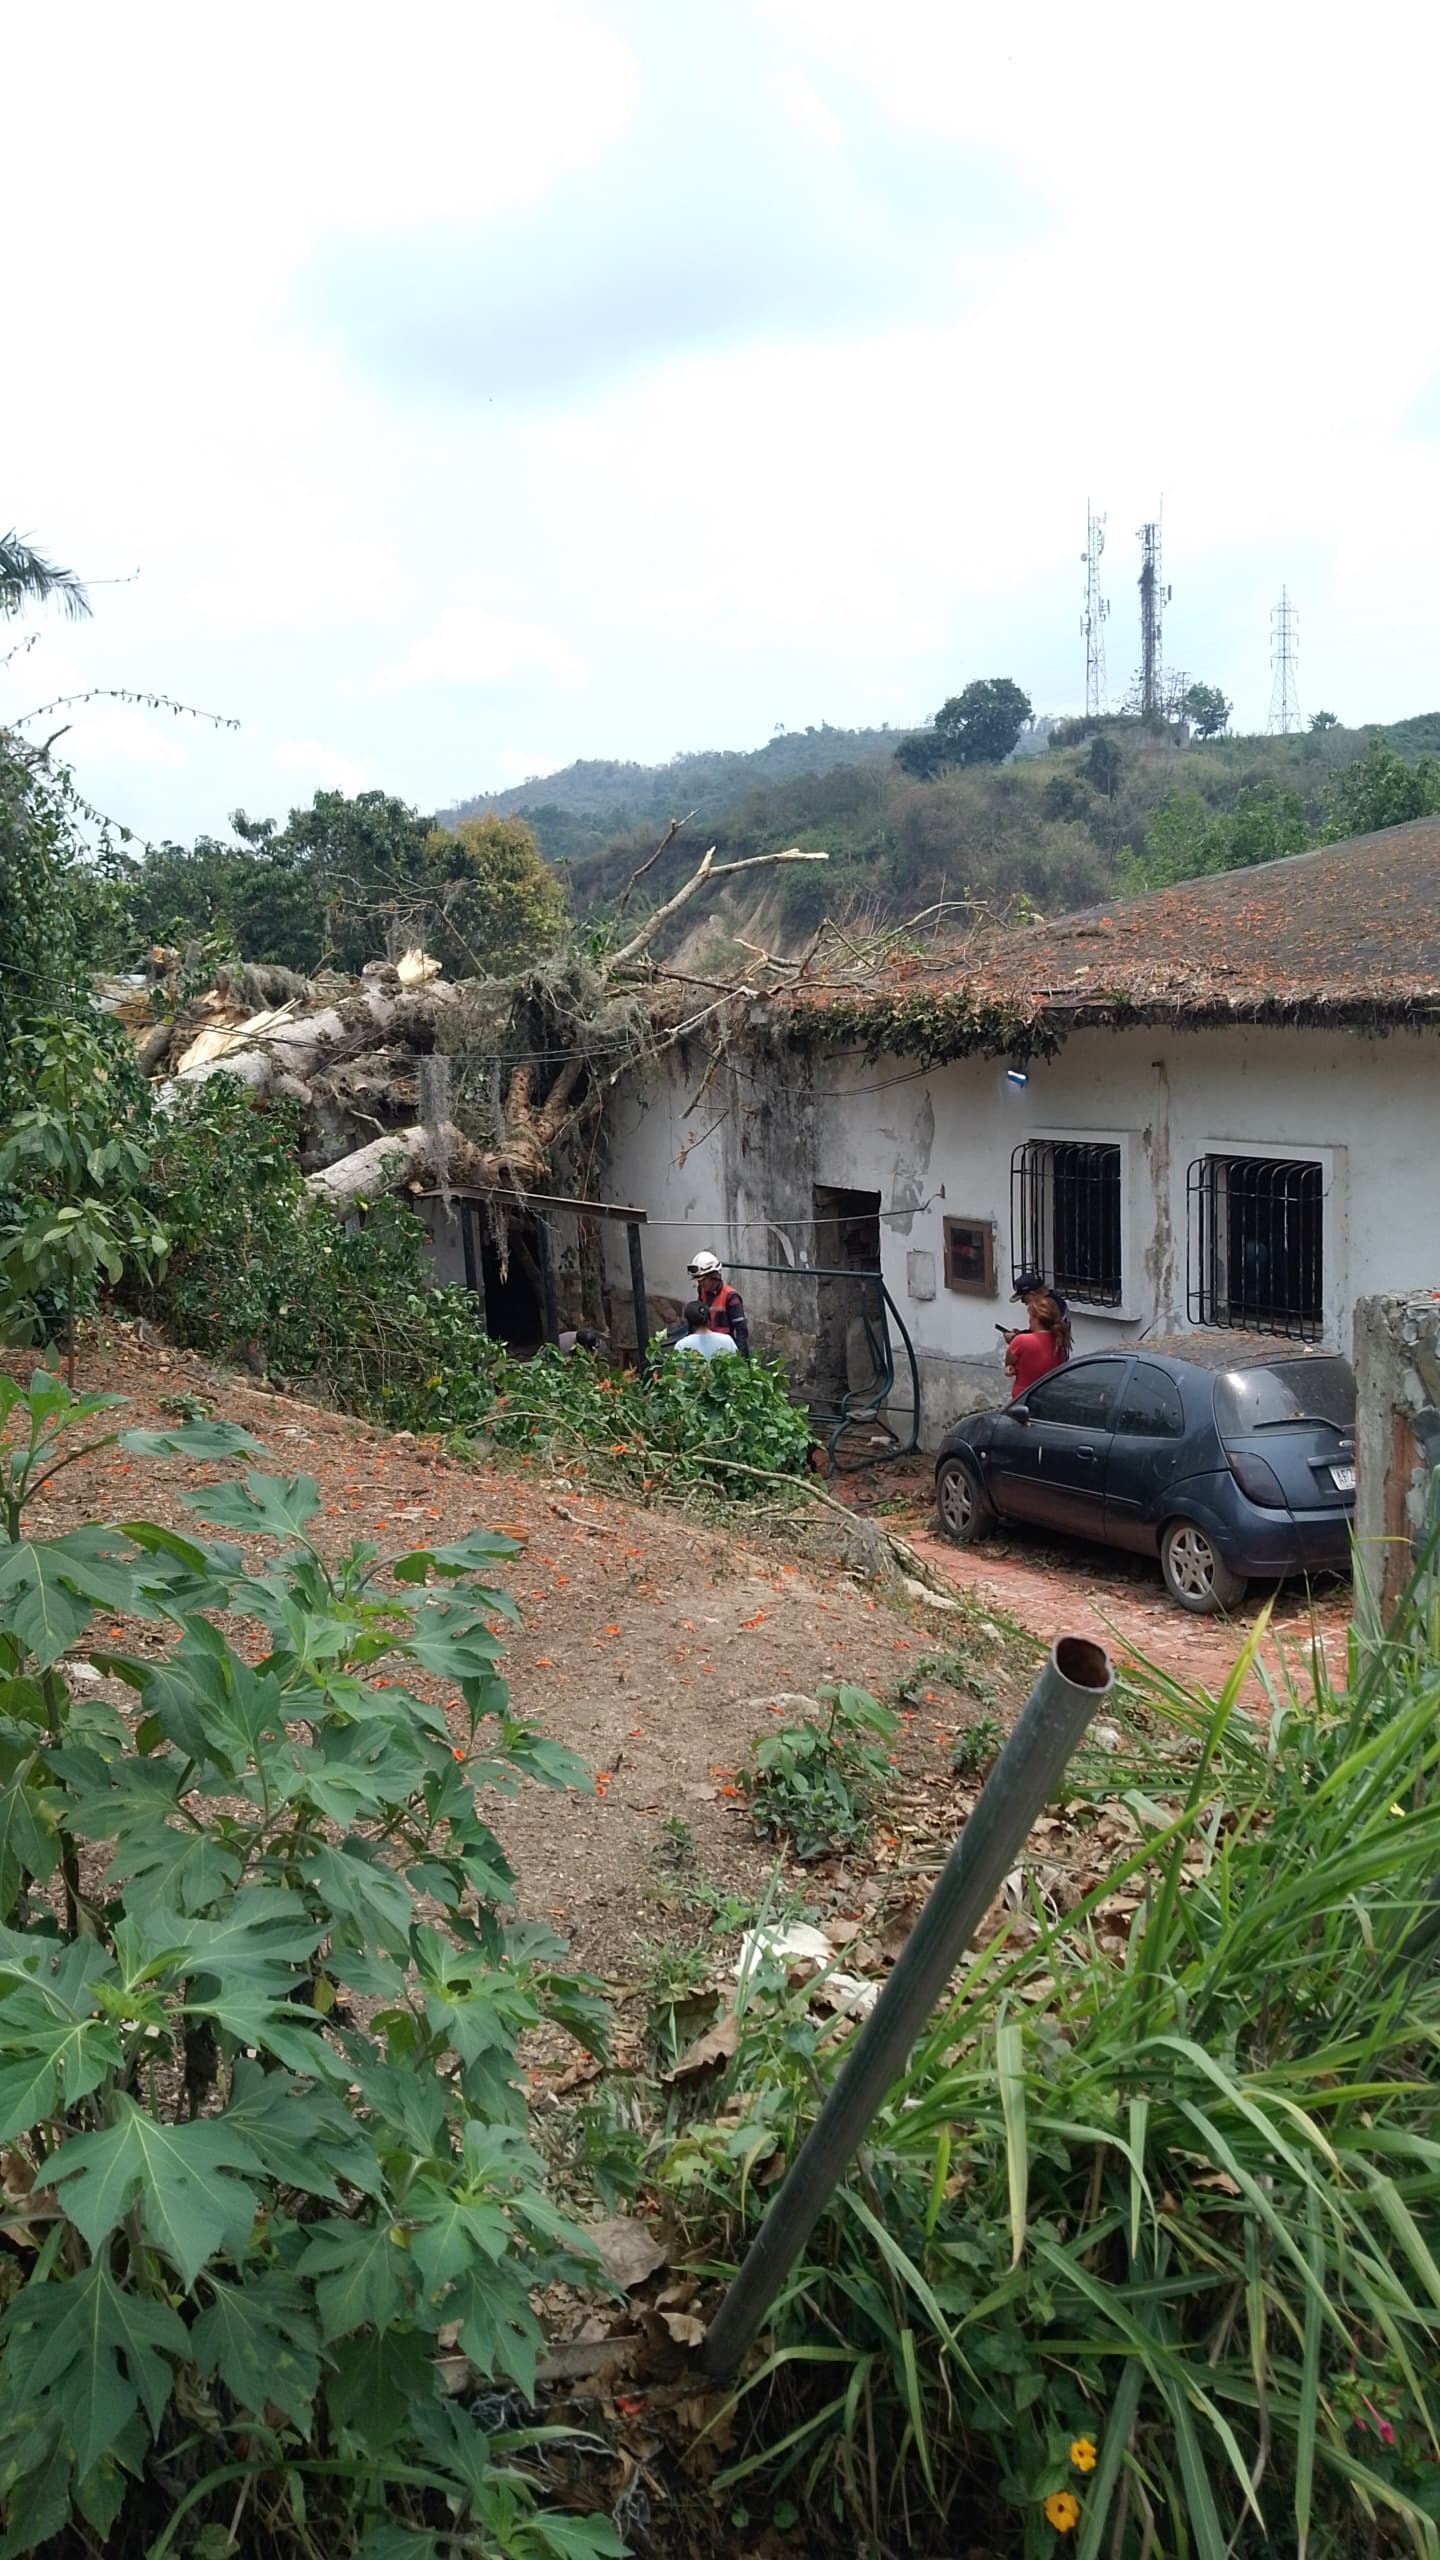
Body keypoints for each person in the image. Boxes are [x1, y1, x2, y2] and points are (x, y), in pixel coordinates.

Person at [1001, 1269, 1072, 1398]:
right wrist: (1023, 1334)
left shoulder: (1051, 1306)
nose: (1024, 1303)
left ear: (1033, 1293)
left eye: (1024, 1298)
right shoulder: (1054, 1303)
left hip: (1041, 1380)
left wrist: (1017, 1339)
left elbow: (1045, 1338)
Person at [686, 1250, 750, 1355]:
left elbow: (741, 1331)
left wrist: (739, 1359)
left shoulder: (731, 1297)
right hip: (708, 1346)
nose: (700, 1284)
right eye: (699, 1281)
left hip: (725, 1349)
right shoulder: (702, 1291)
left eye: (703, 1280)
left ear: (714, 1277)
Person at [674, 1302, 739, 1361]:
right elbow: (737, 1367)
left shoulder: (682, 1345)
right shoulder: (727, 1340)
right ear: (709, 1318)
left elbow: (679, 1372)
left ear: (688, 1321)